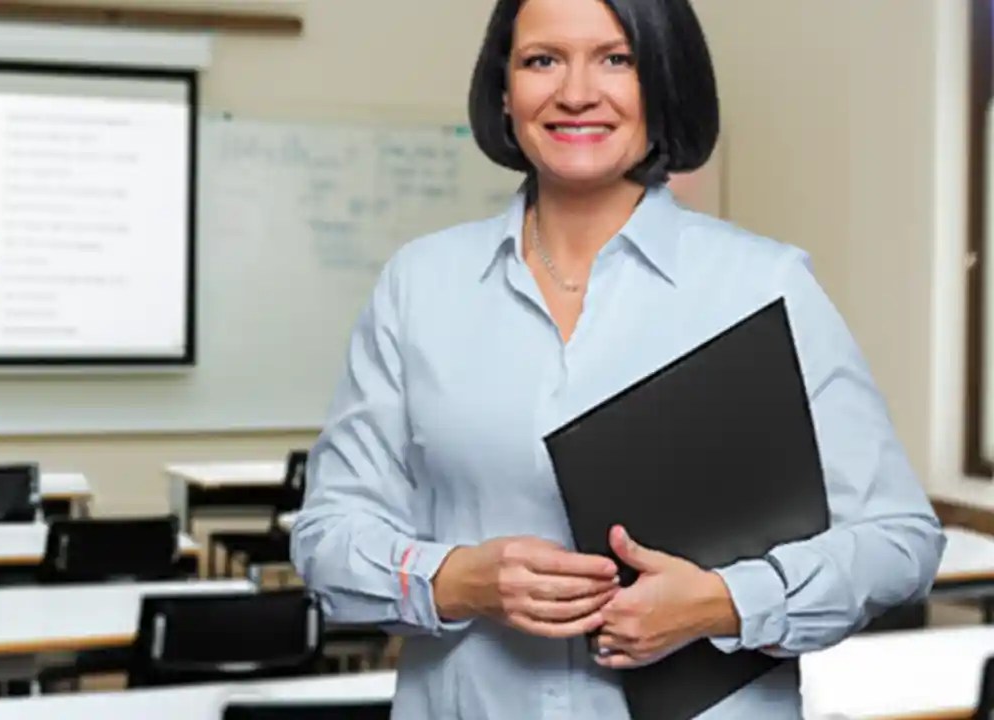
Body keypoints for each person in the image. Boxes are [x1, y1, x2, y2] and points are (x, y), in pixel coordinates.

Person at [289, 0, 946, 717]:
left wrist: (726, 602)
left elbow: (898, 542)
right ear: (504, 91)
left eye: (617, 58)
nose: (576, 92)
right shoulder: (419, 286)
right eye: (542, 60)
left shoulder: (763, 287)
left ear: (662, 80)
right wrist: (456, 578)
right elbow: (328, 536)